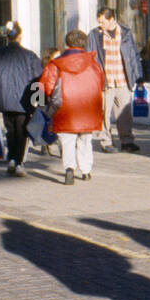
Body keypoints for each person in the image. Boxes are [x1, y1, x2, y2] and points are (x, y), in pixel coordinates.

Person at [40, 29, 105, 185]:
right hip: (87, 108)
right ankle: (86, 170)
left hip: (65, 108)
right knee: (85, 139)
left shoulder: (56, 64)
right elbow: (100, 84)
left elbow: (45, 86)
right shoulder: (93, 64)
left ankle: (69, 168)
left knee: (68, 141)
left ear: (67, 43)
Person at [0, 21, 43, 176]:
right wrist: (40, 101)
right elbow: (39, 79)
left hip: (3, 98)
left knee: (10, 129)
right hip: (24, 99)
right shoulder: (30, 56)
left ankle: (12, 159)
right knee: (22, 130)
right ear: (20, 36)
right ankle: (18, 162)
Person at [87, 8, 143, 154]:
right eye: (99, 22)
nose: (100, 25)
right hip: (106, 81)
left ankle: (127, 141)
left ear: (111, 19)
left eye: (103, 21)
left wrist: (139, 76)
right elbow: (90, 58)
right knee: (104, 113)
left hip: (123, 79)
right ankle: (106, 142)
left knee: (124, 113)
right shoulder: (94, 35)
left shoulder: (125, 32)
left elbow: (134, 55)